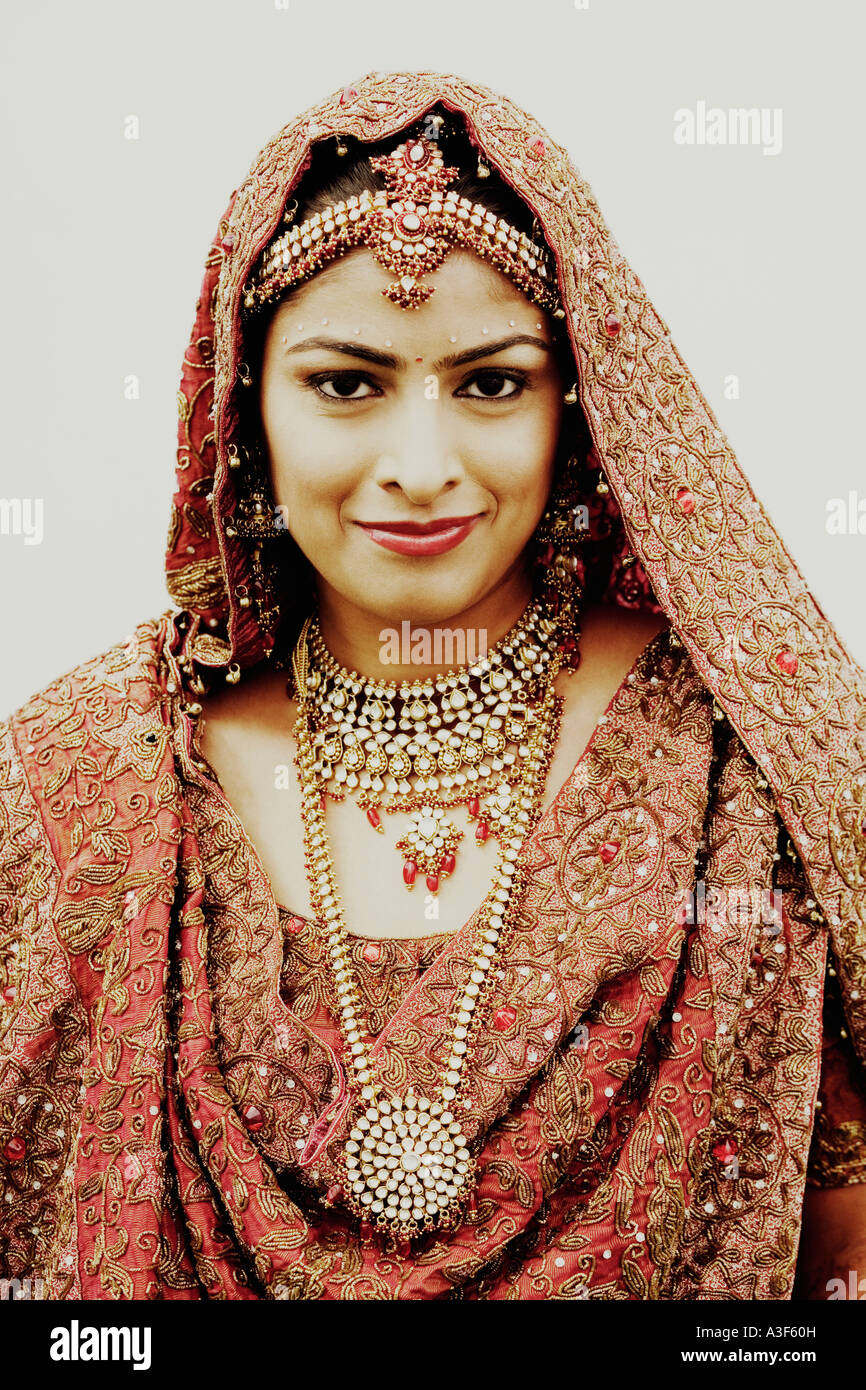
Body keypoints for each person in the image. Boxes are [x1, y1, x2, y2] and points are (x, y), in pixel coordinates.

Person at [1, 70, 864, 1302]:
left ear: (580, 401)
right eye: (345, 384)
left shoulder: (760, 764)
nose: (418, 466)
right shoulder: (81, 785)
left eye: (490, 383)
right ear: (243, 401)